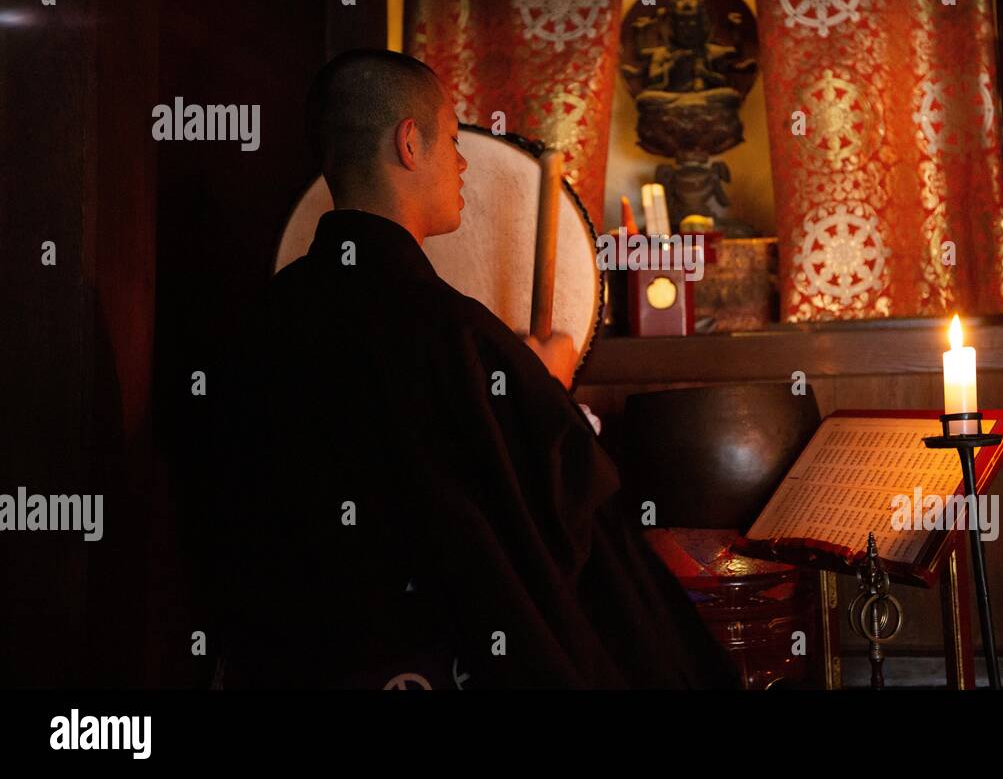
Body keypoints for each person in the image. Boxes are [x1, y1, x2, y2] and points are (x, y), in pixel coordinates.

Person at [210, 49, 738, 689]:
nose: (461, 163)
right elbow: (558, 518)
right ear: (410, 142)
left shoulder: (257, 319)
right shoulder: (451, 331)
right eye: (454, 141)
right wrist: (550, 389)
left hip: (292, 661)